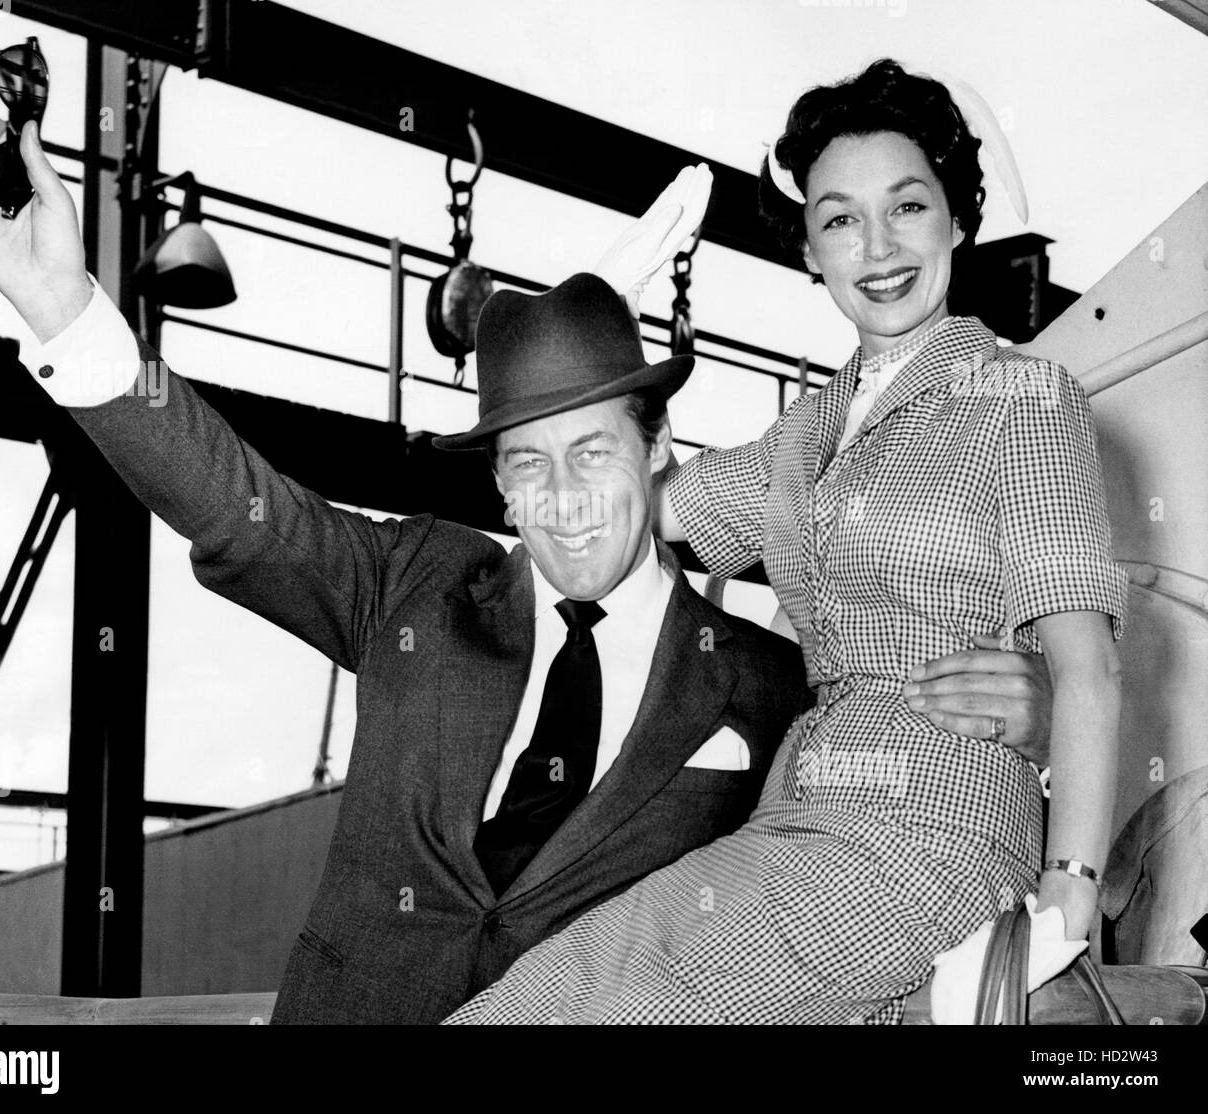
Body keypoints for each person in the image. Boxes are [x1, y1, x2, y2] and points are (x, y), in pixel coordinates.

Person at [0, 104, 1053, 1025]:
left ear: (662, 450)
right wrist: (61, 304)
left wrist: (1029, 710)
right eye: (527, 465)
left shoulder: (767, 684)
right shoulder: (416, 587)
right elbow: (241, 511)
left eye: (592, 455)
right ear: (497, 486)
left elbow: (882, 838)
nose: (563, 502)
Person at [446, 59, 1126, 1025]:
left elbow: (1089, 667)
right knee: (548, 985)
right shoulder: (804, 435)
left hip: (934, 831)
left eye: (909, 207)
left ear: (958, 221)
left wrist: (1070, 891)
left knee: (571, 1011)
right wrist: (597, 334)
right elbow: (627, 510)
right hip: (795, 818)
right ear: (810, 248)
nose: (878, 246)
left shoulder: (1020, 397)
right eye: (841, 218)